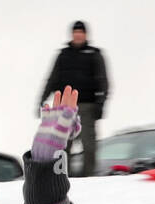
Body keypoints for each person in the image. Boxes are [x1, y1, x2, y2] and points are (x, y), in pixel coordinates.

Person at [38, 21, 109, 176]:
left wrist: (101, 103)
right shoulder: (63, 55)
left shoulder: (94, 54)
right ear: (72, 34)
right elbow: (52, 79)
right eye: (75, 32)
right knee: (62, 144)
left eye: (81, 32)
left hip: (87, 105)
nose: (78, 34)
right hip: (65, 107)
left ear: (85, 34)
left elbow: (103, 80)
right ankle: (63, 176)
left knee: (89, 144)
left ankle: (89, 177)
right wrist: (42, 99)